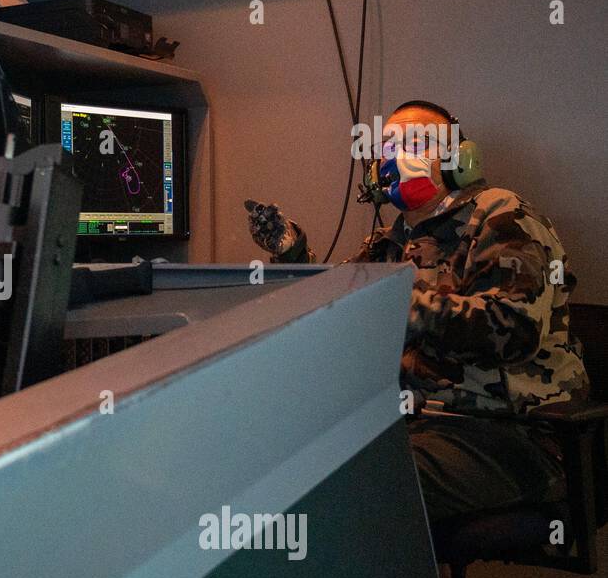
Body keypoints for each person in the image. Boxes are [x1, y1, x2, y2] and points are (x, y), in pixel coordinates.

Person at [246, 100, 589, 525]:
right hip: (409, 423)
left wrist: (399, 305)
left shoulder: (502, 215)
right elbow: (334, 309)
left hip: (508, 432)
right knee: (272, 461)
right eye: (388, 145)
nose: (397, 156)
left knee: (353, 488)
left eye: (417, 143)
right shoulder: (391, 240)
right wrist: (292, 255)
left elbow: (514, 331)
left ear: (457, 160)